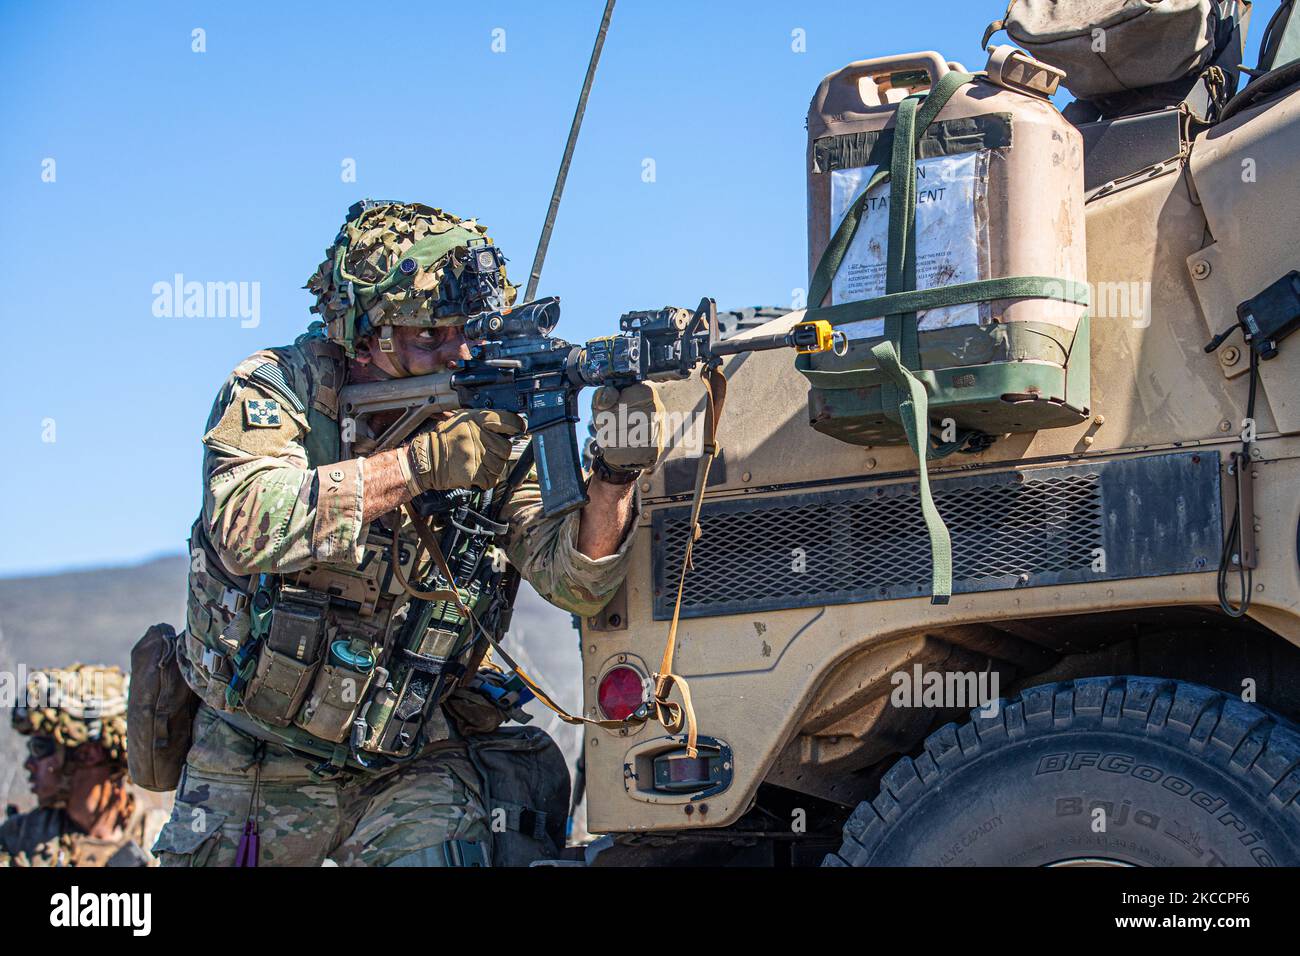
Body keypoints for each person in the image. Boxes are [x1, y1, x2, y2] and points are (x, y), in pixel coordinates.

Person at [155, 200, 660, 866]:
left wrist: (616, 476)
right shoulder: (282, 390)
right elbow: (245, 524)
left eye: (469, 330)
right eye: (430, 336)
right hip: (254, 749)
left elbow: (577, 582)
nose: (458, 352)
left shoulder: (491, 425)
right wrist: (419, 466)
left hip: (406, 758)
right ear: (362, 334)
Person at [2, 664, 157, 866]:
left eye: (40, 749)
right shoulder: (20, 840)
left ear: (88, 754)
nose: (29, 765)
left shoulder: (163, 839)